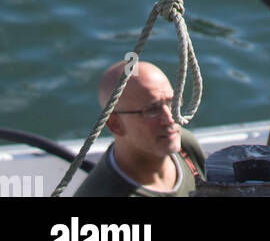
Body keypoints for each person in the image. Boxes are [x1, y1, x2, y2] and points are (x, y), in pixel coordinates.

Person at [74, 60, 205, 197]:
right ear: (115, 124)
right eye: (152, 110)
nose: (171, 119)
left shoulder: (184, 144)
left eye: (172, 102)